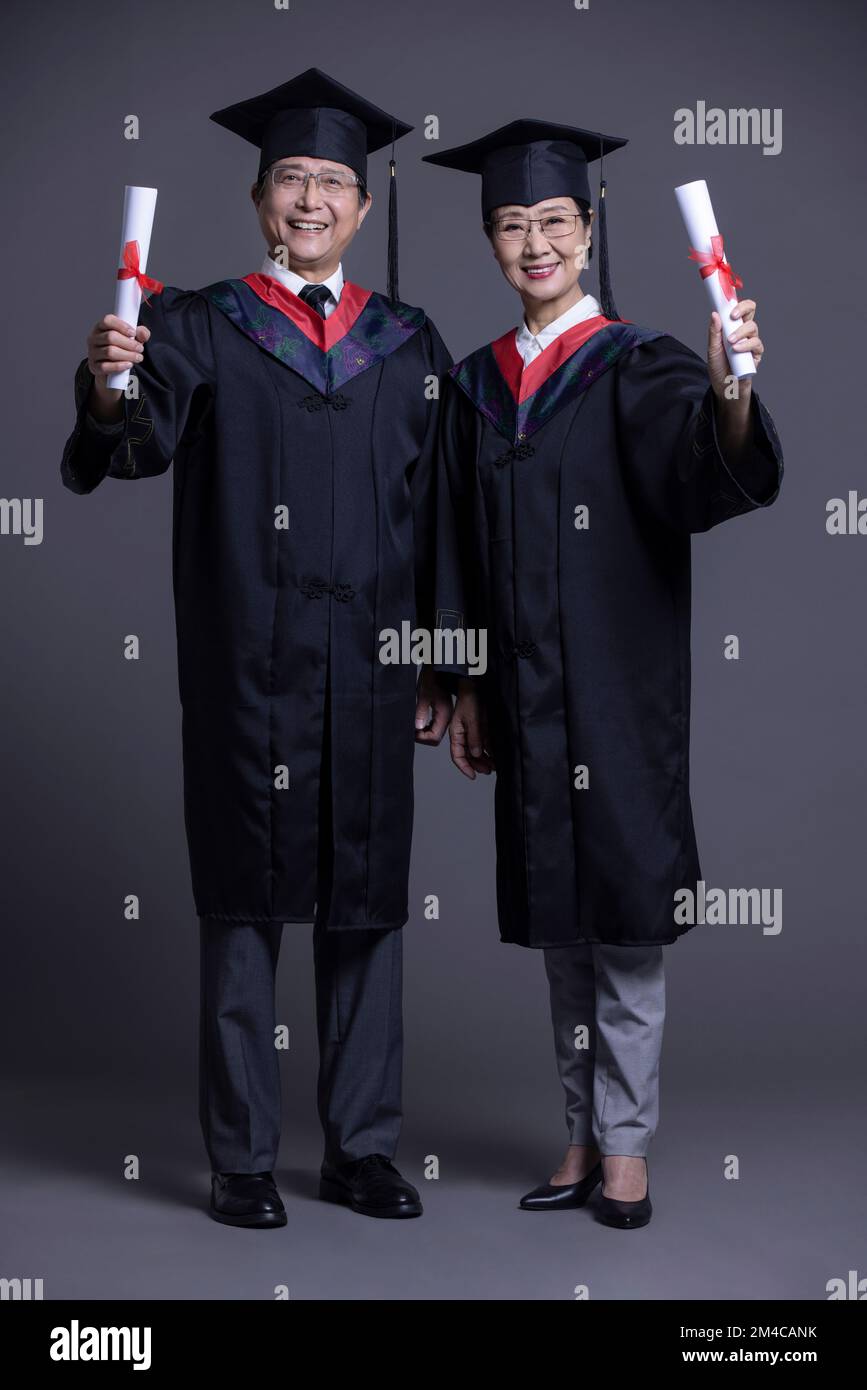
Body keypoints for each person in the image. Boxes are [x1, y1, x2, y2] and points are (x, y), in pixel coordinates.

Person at [60, 68, 455, 1228]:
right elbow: (130, 447)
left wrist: (441, 659)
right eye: (293, 177)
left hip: (375, 667)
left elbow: (435, 514)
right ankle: (239, 1155)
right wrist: (106, 387)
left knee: (368, 904)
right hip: (249, 667)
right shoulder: (198, 324)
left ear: (364, 207)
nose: (314, 197)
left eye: (334, 179)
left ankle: (361, 1148)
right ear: (258, 197)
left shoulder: (407, 340)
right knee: (243, 904)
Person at [424, 119, 784, 1228]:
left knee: (624, 920)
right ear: (493, 240)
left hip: (619, 698)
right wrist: (465, 679)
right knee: (560, 925)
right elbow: (451, 545)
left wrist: (729, 390)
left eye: (553, 221)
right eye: (512, 224)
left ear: (589, 229)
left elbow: (703, 476)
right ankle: (577, 1134)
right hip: (524, 694)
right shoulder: (479, 385)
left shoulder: (642, 363)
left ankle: (626, 1146)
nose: (534, 242)